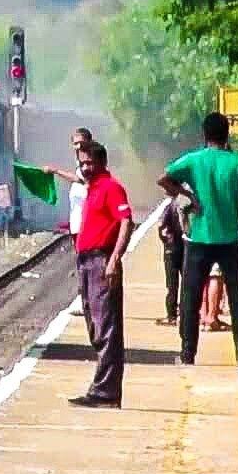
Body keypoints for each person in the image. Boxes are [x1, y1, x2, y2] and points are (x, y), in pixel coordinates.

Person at [158, 113, 238, 366]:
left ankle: (187, 352)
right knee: (237, 298)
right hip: (230, 238)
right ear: (227, 133)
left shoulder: (193, 160)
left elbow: (164, 178)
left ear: (205, 134)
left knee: (189, 296)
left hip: (198, 238)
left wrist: (186, 194)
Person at [70, 140, 134, 408]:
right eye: (82, 163)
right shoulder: (92, 189)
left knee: (106, 327)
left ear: (102, 163)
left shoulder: (111, 188)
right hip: (87, 263)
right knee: (95, 325)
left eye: (89, 163)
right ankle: (103, 387)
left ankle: (105, 392)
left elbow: (126, 222)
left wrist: (114, 259)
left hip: (101, 262)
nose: (85, 168)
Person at [43, 127, 93, 317]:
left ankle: (86, 301)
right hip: (77, 224)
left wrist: (56, 171)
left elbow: (81, 180)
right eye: (75, 143)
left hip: (85, 225)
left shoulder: (90, 165)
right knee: (82, 262)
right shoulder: (80, 165)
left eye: (81, 142)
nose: (78, 146)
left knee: (85, 263)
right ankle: (85, 299)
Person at [155, 193, 183, 327]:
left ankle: (171, 314)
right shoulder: (185, 202)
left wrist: (165, 241)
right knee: (187, 283)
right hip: (186, 245)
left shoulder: (170, 205)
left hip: (171, 247)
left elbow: (162, 227)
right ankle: (185, 312)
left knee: (172, 284)